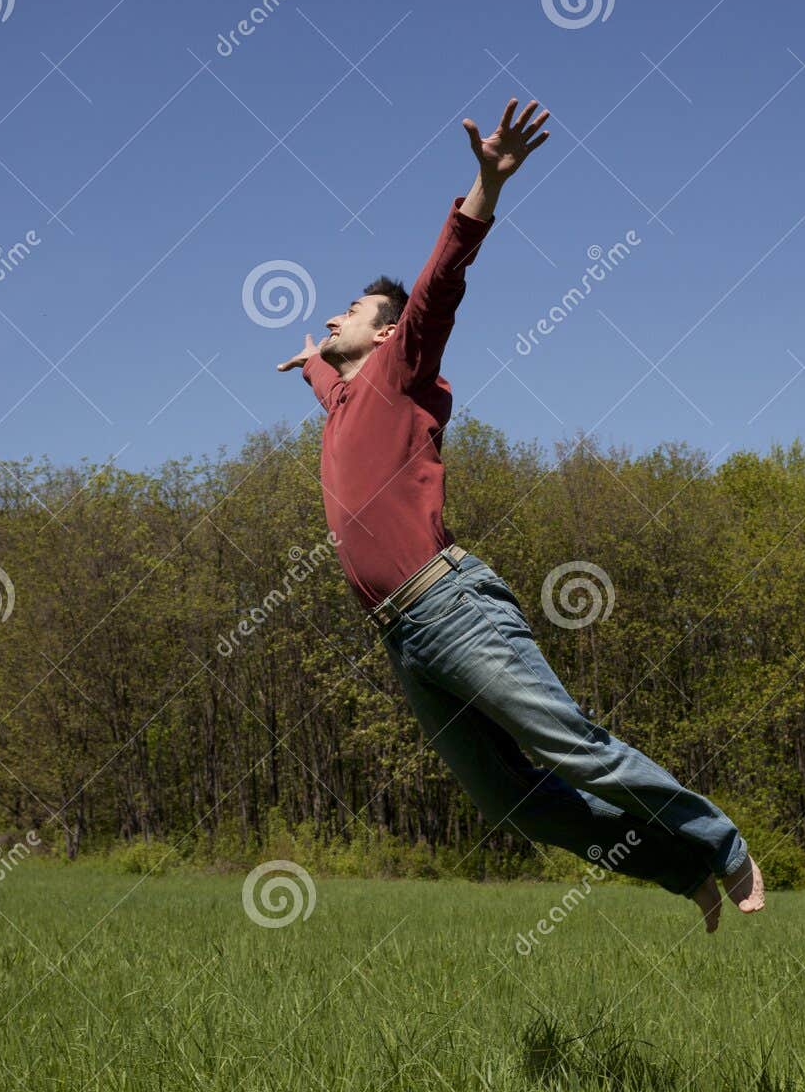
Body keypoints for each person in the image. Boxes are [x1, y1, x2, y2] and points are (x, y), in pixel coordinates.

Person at [278, 98, 764, 931]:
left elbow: (437, 287)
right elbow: (332, 387)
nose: (331, 318)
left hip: (450, 608)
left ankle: (720, 839)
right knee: (514, 803)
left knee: (566, 744)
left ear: (387, 334)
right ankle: (678, 866)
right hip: (402, 638)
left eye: (347, 314)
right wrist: (312, 366)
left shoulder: (399, 371)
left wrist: (484, 185)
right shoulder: (347, 398)